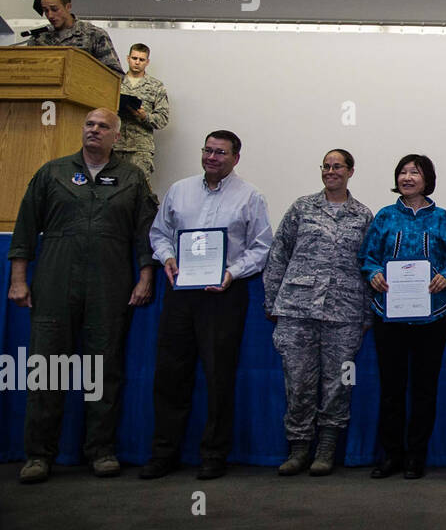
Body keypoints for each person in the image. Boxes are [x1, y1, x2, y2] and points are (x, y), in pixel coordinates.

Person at [8, 109, 155, 484]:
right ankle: (39, 455)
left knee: (104, 370)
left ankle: (101, 450)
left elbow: (145, 235)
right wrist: (18, 279)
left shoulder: (132, 178)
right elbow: (25, 228)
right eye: (89, 125)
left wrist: (145, 277)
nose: (94, 130)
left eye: (103, 126)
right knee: (47, 370)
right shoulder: (52, 173)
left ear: (116, 137)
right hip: (56, 281)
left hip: (109, 284)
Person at [140, 130, 272, 481]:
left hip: (224, 295)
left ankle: (214, 455)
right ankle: (163, 454)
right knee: (170, 375)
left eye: (221, 153)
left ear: (235, 158)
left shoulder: (250, 196)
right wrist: (167, 258)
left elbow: (261, 248)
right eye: (208, 150)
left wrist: (232, 273)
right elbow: (159, 234)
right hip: (180, 293)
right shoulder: (179, 190)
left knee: (219, 377)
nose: (212, 157)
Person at [263, 149, 374, 477]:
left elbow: (368, 265)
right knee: (297, 381)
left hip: (345, 313)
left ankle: (326, 448)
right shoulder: (301, 208)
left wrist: (367, 314)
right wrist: (272, 302)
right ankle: (298, 447)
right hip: (298, 310)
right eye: (326, 166)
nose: (330, 171)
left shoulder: (363, 215)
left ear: (350, 172)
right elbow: (279, 254)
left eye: (337, 166)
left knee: (340, 381)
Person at [358, 154, 446, 479]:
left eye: (415, 172)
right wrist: (373, 274)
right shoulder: (385, 216)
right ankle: (392, 455)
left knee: (425, 388)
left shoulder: (443, 218)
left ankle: (416, 456)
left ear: (427, 178)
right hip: (390, 315)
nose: (408, 177)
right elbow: (368, 257)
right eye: (403, 172)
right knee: (392, 388)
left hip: (433, 315)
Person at [28, 0, 123, 73]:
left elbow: (115, 74)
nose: (50, 15)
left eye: (54, 9)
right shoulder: (39, 38)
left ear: (68, 7)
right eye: (46, 10)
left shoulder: (93, 34)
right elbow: (26, 70)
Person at [117, 43, 170, 185]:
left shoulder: (155, 86)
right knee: (111, 187)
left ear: (147, 62)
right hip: (114, 145)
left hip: (140, 148)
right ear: (128, 59)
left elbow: (163, 119)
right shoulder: (115, 81)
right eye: (134, 58)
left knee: (139, 188)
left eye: (141, 59)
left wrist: (144, 116)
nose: (137, 62)